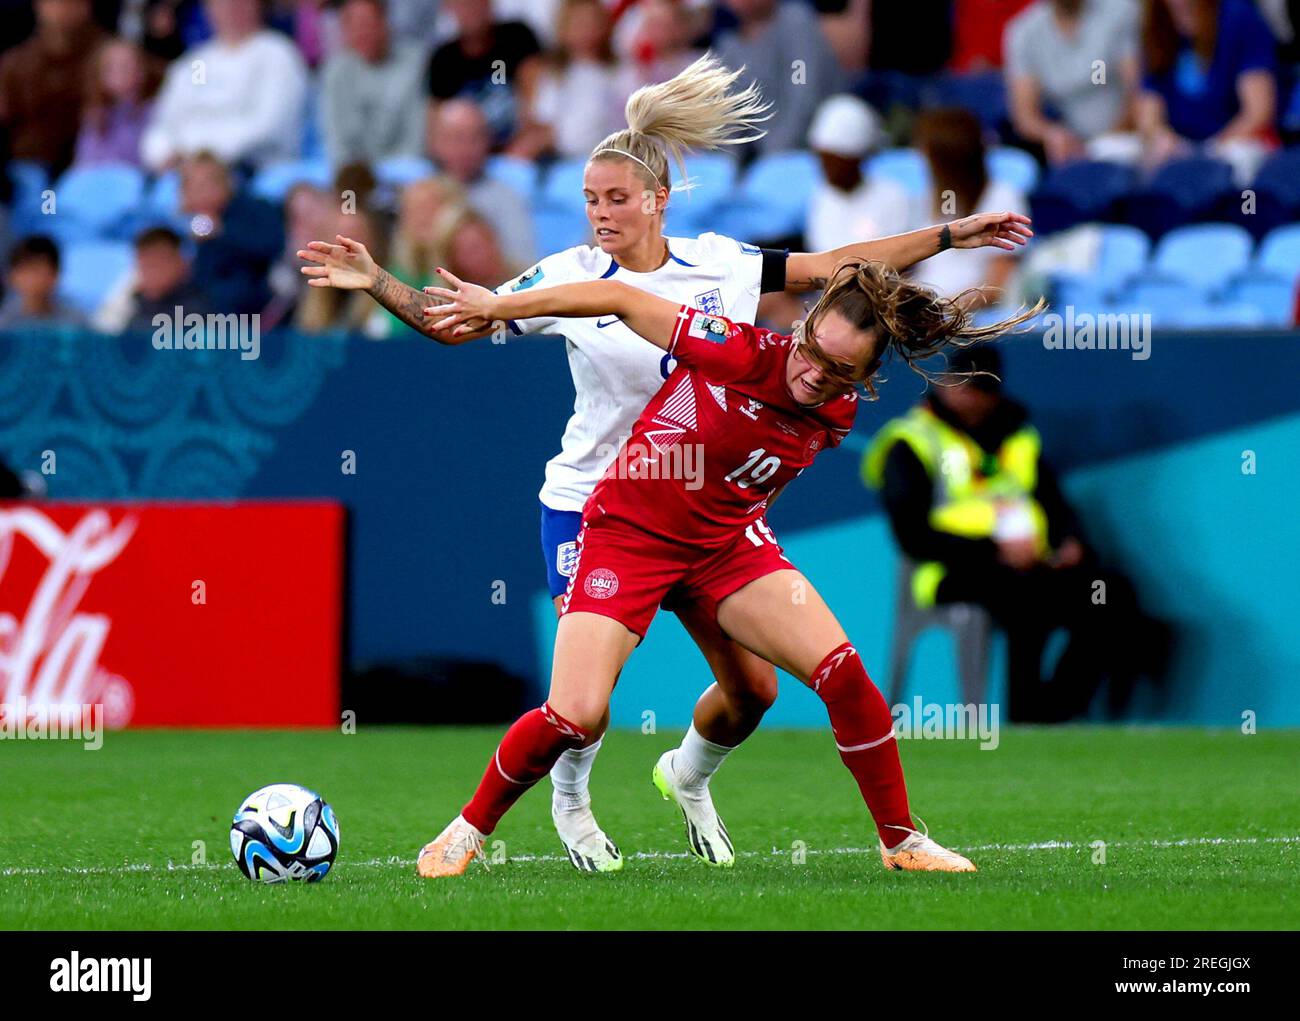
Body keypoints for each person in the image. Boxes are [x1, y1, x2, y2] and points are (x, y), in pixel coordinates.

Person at [299, 54, 1034, 874]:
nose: (601, 213)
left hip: (717, 525)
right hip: (599, 504)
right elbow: (476, 320)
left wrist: (949, 235)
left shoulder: (724, 274)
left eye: (616, 198)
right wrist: (386, 284)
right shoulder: (577, 279)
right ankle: (554, 804)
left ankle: (706, 781)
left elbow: (841, 268)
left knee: (759, 693)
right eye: (589, 199)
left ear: (657, 199)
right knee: (581, 709)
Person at [412, 260, 1042, 878]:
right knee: (574, 713)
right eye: (813, 352)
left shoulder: (837, 412)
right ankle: (465, 830)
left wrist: (746, 533)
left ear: (867, 375)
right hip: (629, 536)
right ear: (805, 326)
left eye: (839, 370)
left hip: (724, 545)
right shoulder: (736, 348)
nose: (814, 375)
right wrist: (497, 306)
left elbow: (760, 476)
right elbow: (619, 298)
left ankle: (894, 839)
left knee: (814, 684)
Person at [862, 344, 1172, 722]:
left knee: (1110, 593)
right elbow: (913, 536)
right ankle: (1023, 716)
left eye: (979, 388)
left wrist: (1071, 543)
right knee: (1028, 599)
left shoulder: (1018, 436)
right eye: (961, 384)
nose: (968, 396)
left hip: (1033, 564)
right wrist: (994, 551)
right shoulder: (911, 442)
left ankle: (1055, 711)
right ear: (943, 383)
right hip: (953, 572)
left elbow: (1053, 503)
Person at [141, 0, 308, 171]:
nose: (230, 10)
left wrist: (205, 155)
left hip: (253, 170)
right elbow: (166, 122)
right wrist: (164, 153)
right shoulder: (198, 62)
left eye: (238, 3)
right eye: (220, 3)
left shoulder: (277, 53)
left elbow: (269, 126)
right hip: (187, 170)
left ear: (257, 5)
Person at [1137, 0, 1279, 182]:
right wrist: (1161, 136)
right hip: (1182, 142)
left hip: (1233, 139)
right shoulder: (1157, 24)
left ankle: (1243, 210)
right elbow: (1148, 113)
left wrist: (1210, 149)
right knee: (1119, 152)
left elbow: (1258, 112)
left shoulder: (1239, 17)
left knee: (1239, 157)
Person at [912, 108, 1029, 309]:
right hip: (925, 311)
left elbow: (996, 288)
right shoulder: (925, 201)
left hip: (969, 320)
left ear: (944, 160)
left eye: (926, 154)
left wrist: (942, 309)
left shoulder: (1002, 201)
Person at [1005, 0, 1142, 165]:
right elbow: (1024, 116)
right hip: (1068, 147)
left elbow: (1137, 89)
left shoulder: (1121, 9)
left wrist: (1111, 135)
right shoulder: (1024, 31)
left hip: (1125, 138)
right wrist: (1052, 134)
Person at [715, 0, 845, 157]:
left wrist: (775, 155)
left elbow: (803, 91)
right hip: (760, 161)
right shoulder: (729, 43)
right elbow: (727, 111)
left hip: (813, 149)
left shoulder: (796, 23)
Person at [426, 99, 537, 269]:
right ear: (434, 141)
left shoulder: (507, 199)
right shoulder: (420, 196)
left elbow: (524, 266)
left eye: (475, 137)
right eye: (457, 137)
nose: (466, 147)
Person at [0, 0, 106, 173]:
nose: (61, 11)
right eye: (54, 3)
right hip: (26, 164)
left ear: (86, 7)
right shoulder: (16, 62)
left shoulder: (109, 57)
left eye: (70, 4)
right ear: (39, 7)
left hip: (92, 168)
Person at [806, 94, 921, 253]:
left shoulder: (893, 197)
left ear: (857, 159)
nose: (826, 168)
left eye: (835, 161)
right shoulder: (821, 196)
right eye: (823, 159)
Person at [321, 0, 427, 168]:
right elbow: (336, 143)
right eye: (354, 26)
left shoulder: (416, 64)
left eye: (368, 24)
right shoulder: (335, 72)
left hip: (405, 170)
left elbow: (416, 139)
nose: (363, 32)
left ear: (385, 23)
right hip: (355, 176)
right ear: (344, 31)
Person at [427, 0, 542, 149]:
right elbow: (437, 125)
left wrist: (520, 150)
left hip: (518, 150)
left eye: (478, 2)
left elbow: (538, 104)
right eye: (463, 4)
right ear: (448, 7)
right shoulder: (443, 58)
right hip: (466, 155)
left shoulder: (517, 37)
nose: (472, 9)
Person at [75, 37, 162, 168]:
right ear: (100, 75)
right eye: (112, 67)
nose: (121, 72)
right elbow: (84, 163)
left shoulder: (155, 110)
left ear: (142, 70)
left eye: (128, 65)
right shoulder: (95, 117)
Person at [0, 235, 85, 329]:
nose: (32, 279)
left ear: (56, 274)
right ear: (12, 276)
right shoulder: (5, 321)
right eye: (26, 271)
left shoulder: (74, 321)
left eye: (38, 271)